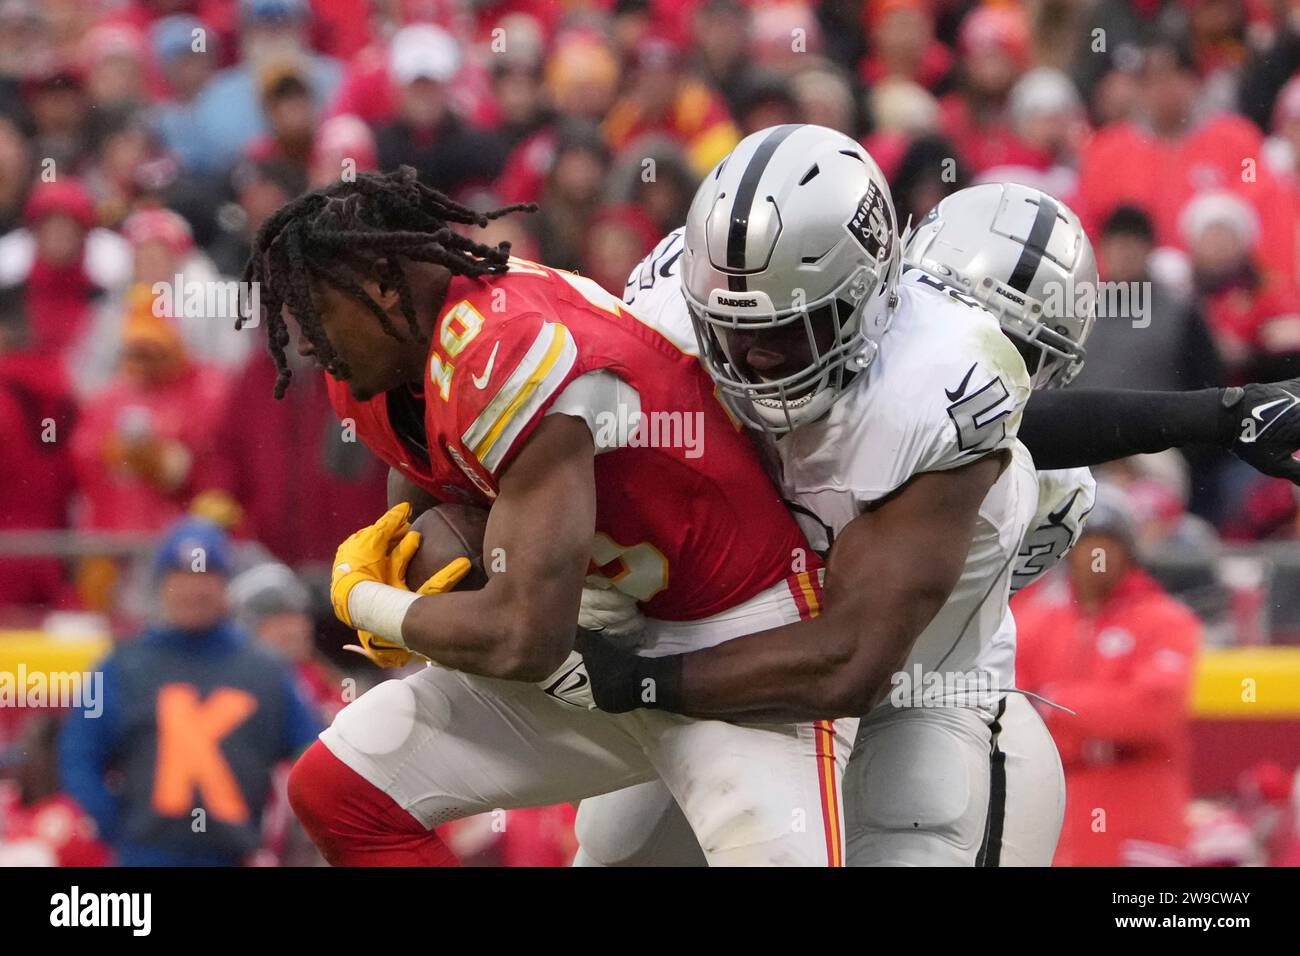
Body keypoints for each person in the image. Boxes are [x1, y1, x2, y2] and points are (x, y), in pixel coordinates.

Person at [243, 166, 856, 867]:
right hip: (599, 643)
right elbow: (430, 471)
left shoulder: (509, 351)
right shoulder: (385, 361)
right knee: (340, 791)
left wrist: (365, 599)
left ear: (382, 285)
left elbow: (524, 638)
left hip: (738, 639)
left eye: (316, 314)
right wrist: (408, 564)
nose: (307, 343)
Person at [58, 517, 321, 866]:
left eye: (205, 575)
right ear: (163, 584)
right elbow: (79, 755)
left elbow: (315, 754)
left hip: (233, 857)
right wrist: (118, 828)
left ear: (225, 584)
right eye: (181, 576)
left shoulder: (265, 670)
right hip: (146, 859)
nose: (193, 590)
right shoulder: (123, 666)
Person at [1014, 485, 1201, 867]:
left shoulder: (1165, 620)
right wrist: (1097, 732)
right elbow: (1014, 718)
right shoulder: (1034, 623)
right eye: (1087, 542)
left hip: (1144, 835)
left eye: (1109, 543)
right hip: (1059, 831)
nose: (1096, 556)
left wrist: (1052, 703)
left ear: (1130, 551)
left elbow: (1151, 713)